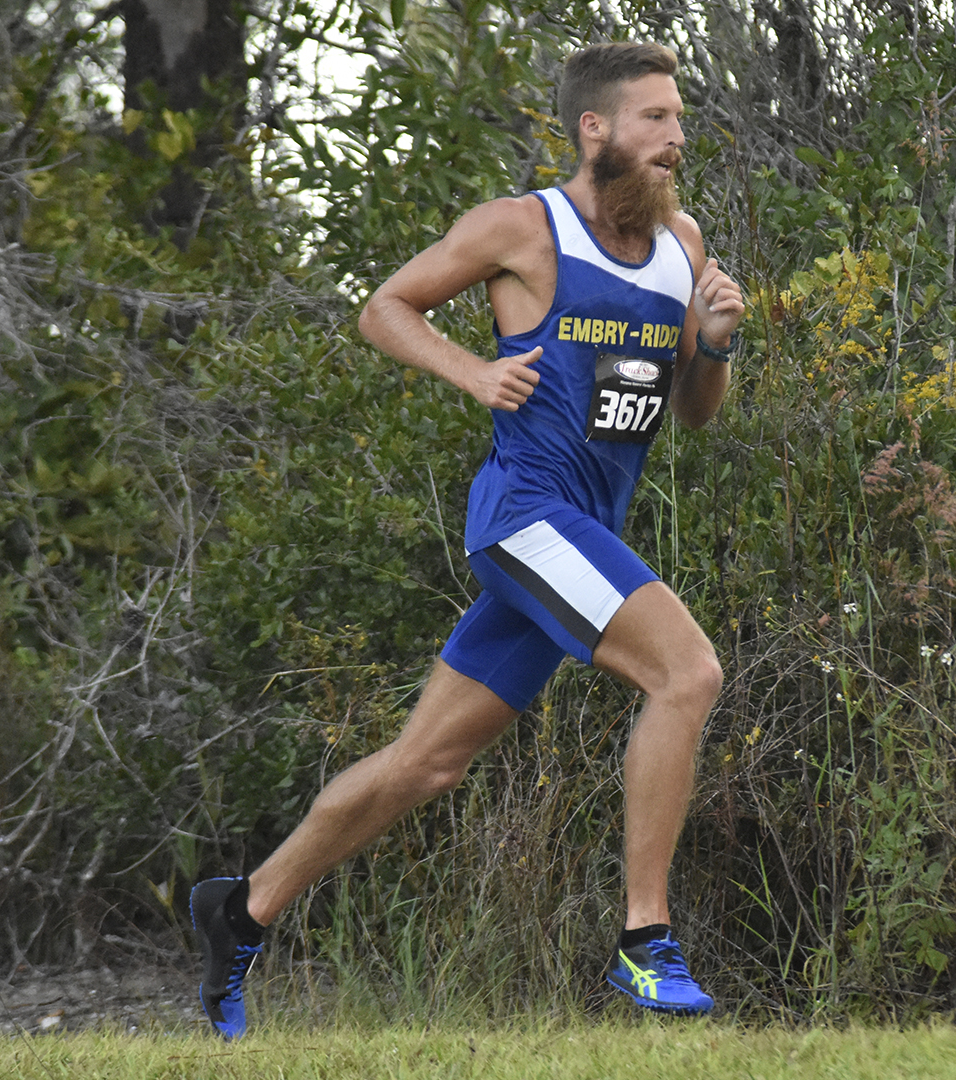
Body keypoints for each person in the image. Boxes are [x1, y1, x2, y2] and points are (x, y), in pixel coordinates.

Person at [188, 41, 745, 1038]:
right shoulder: (522, 230)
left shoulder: (684, 248)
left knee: (424, 765)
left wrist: (716, 345)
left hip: (582, 539)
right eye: (655, 118)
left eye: (678, 119)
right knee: (687, 675)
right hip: (527, 519)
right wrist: (474, 374)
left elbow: (696, 414)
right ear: (596, 130)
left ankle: (242, 909)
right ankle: (645, 940)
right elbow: (382, 307)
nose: (676, 137)